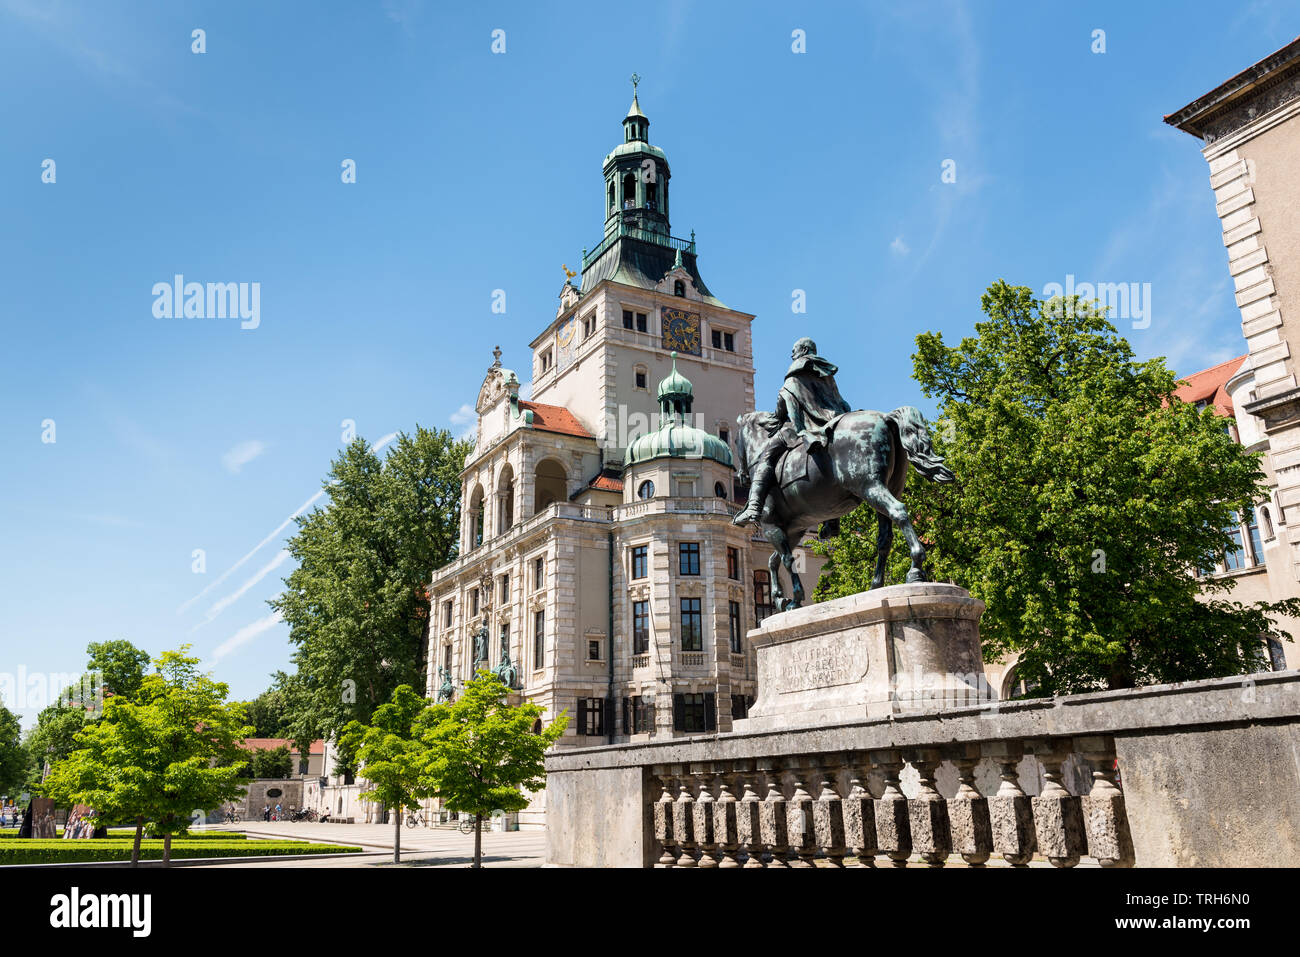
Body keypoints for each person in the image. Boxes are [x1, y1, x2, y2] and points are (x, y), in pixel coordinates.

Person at [733, 337, 852, 527]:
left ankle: (754, 506)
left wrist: (779, 418)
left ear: (804, 350)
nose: (792, 354)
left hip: (802, 427)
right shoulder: (825, 372)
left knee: (767, 457)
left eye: (794, 350)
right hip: (832, 423)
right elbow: (842, 402)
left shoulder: (797, 369)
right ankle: (832, 520)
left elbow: (785, 402)